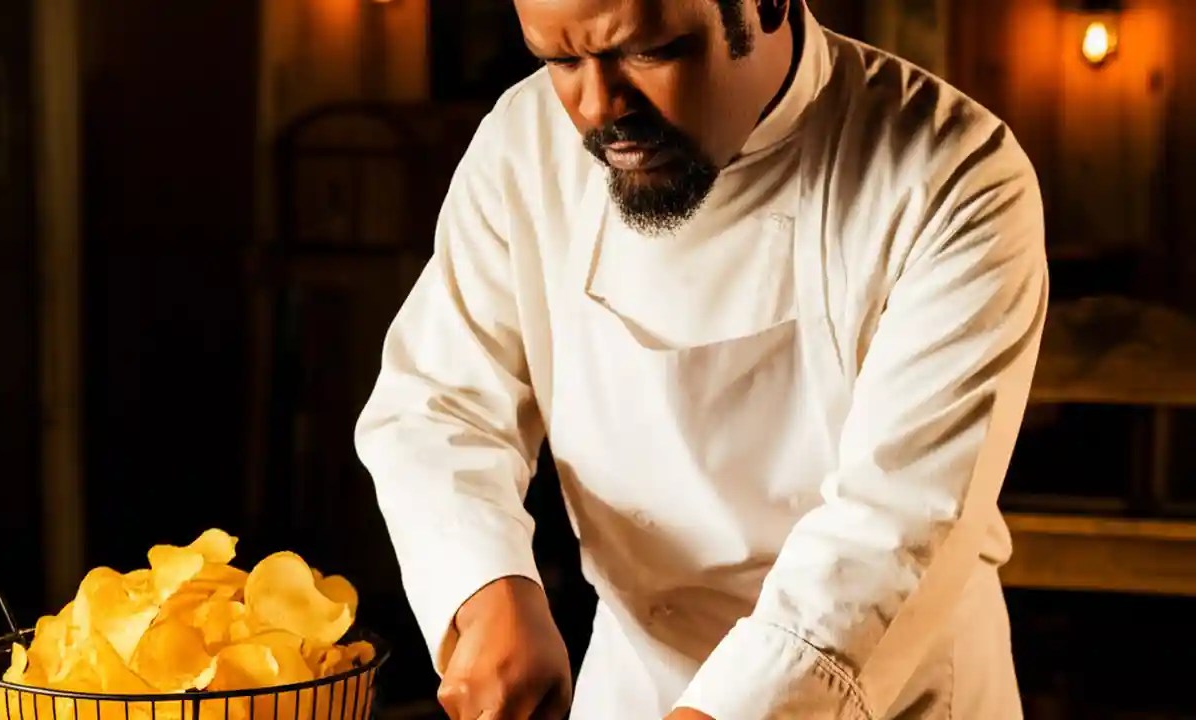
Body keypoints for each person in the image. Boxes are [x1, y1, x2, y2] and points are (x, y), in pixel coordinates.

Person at [355, 0, 1048, 717]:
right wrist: (487, 587)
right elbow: (438, 402)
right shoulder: (522, 144)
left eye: (649, 52)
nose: (598, 107)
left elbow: (898, 523)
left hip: (882, 691)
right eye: (560, 60)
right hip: (636, 681)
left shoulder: (955, 173)